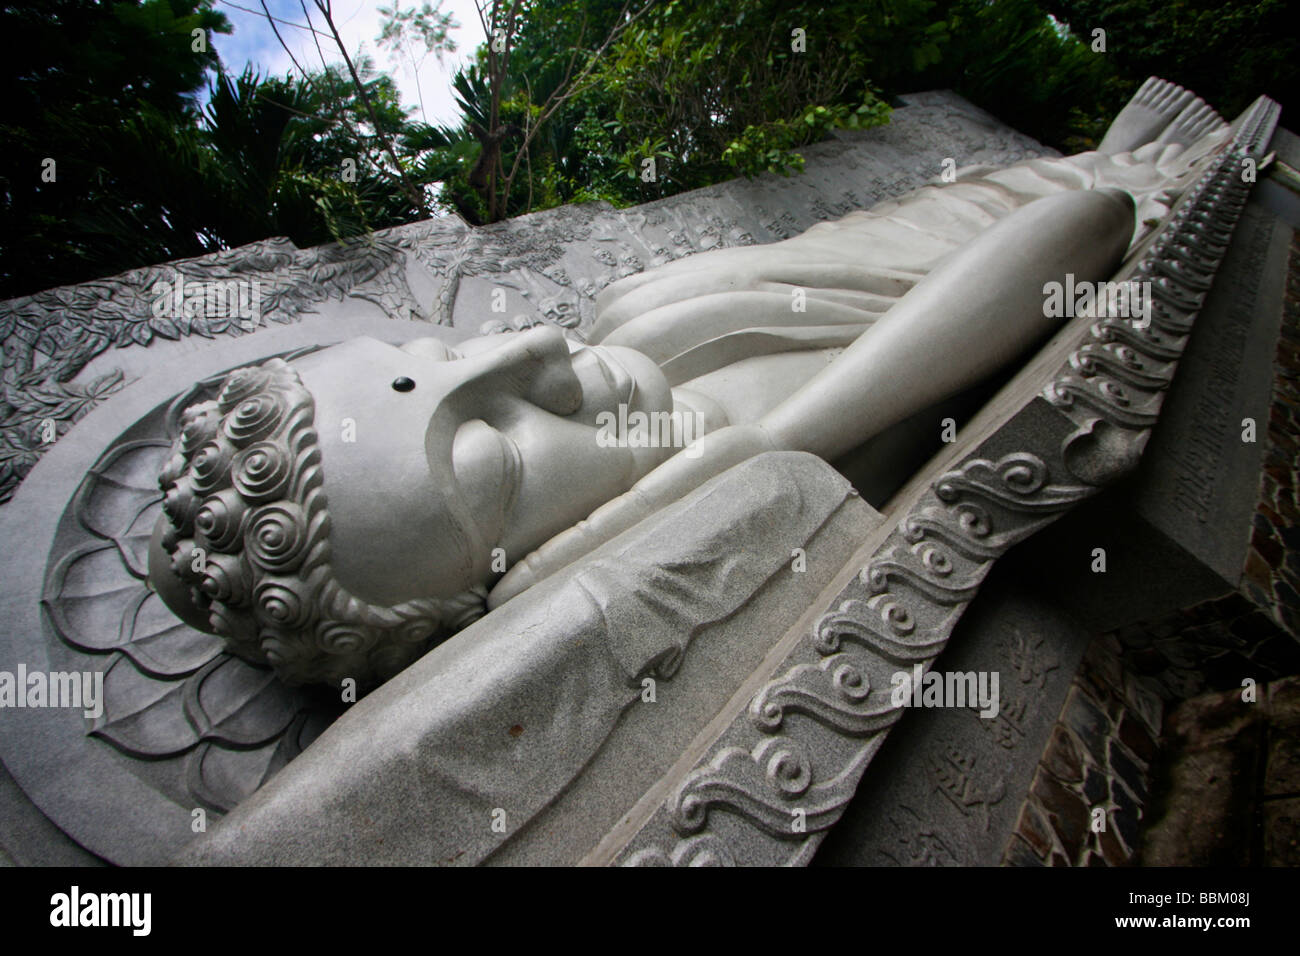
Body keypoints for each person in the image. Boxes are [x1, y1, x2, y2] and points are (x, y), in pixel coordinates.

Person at [148, 77, 1226, 688]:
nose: (533, 359)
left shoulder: (636, 322)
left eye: (437, 359)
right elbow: (1082, 237)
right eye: (495, 456)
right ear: (509, 583)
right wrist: (787, 438)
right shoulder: (739, 495)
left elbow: (897, 235)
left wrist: (1094, 163)